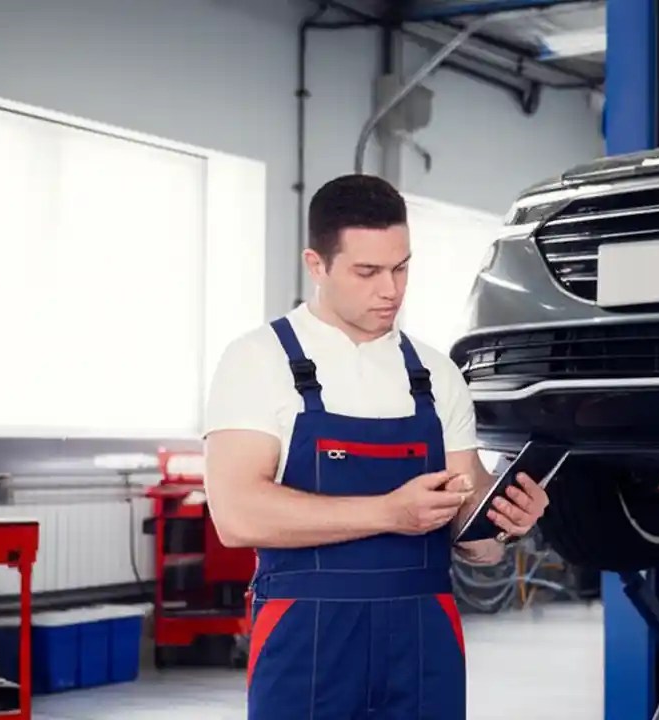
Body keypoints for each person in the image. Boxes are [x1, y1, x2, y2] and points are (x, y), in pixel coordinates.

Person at [202, 173, 550, 720]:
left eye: (402, 266)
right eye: (367, 272)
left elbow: (472, 530)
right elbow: (237, 515)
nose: (391, 289)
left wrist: (502, 523)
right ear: (316, 265)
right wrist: (389, 513)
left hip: (423, 633)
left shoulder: (437, 373)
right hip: (306, 633)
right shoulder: (257, 361)